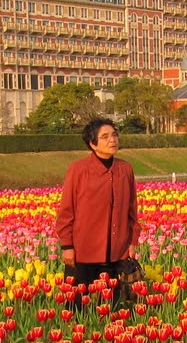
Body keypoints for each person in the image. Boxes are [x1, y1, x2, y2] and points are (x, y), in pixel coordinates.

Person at [55, 116, 141, 300]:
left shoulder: (125, 169)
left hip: (116, 252)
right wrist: (67, 246)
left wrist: (132, 242)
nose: (113, 139)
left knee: (111, 307)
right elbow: (66, 210)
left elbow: (132, 210)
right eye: (105, 136)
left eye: (115, 135)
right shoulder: (79, 170)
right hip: (82, 251)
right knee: (76, 306)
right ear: (93, 144)